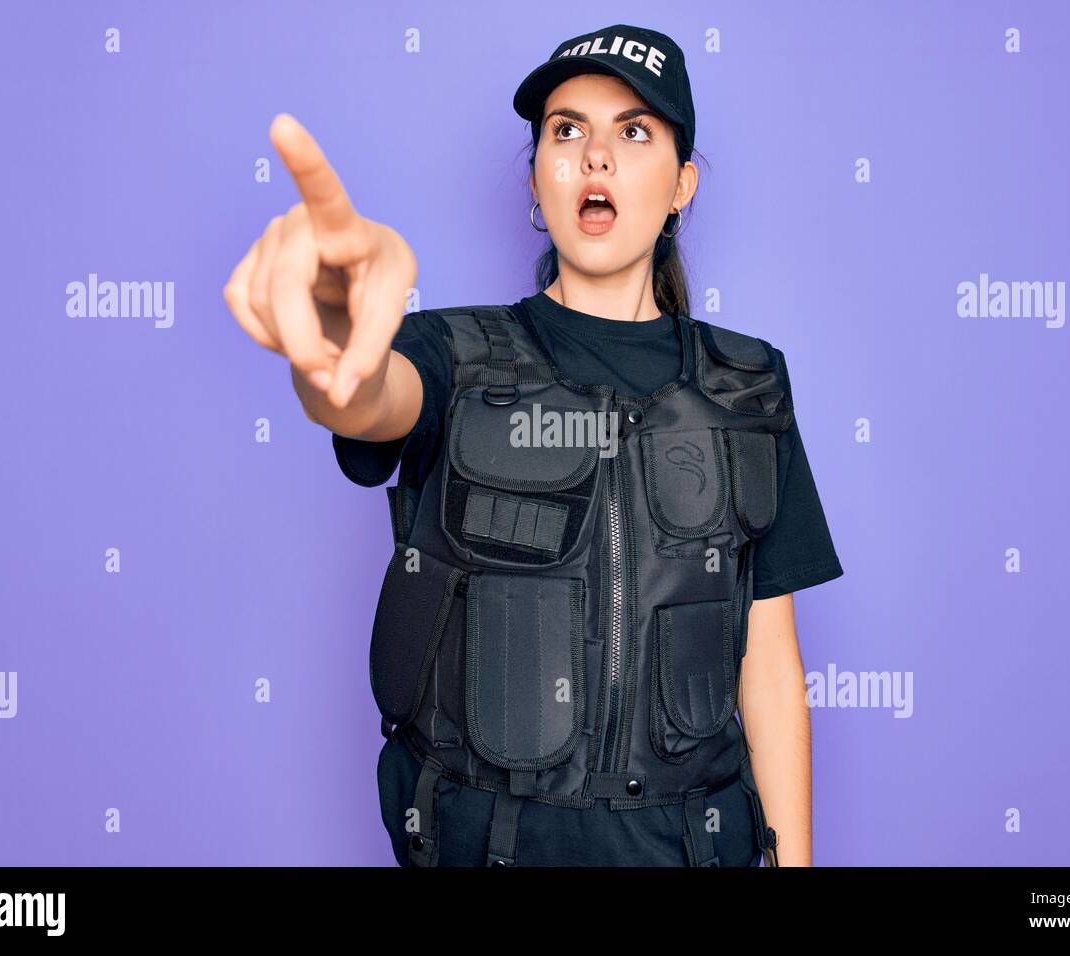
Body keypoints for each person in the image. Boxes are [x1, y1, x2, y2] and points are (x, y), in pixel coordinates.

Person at [224, 23, 843, 867]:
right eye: (566, 130)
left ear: (681, 186)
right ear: (536, 182)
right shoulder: (453, 355)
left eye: (633, 132)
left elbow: (768, 673)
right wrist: (332, 349)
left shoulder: (749, 385)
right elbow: (372, 398)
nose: (595, 156)